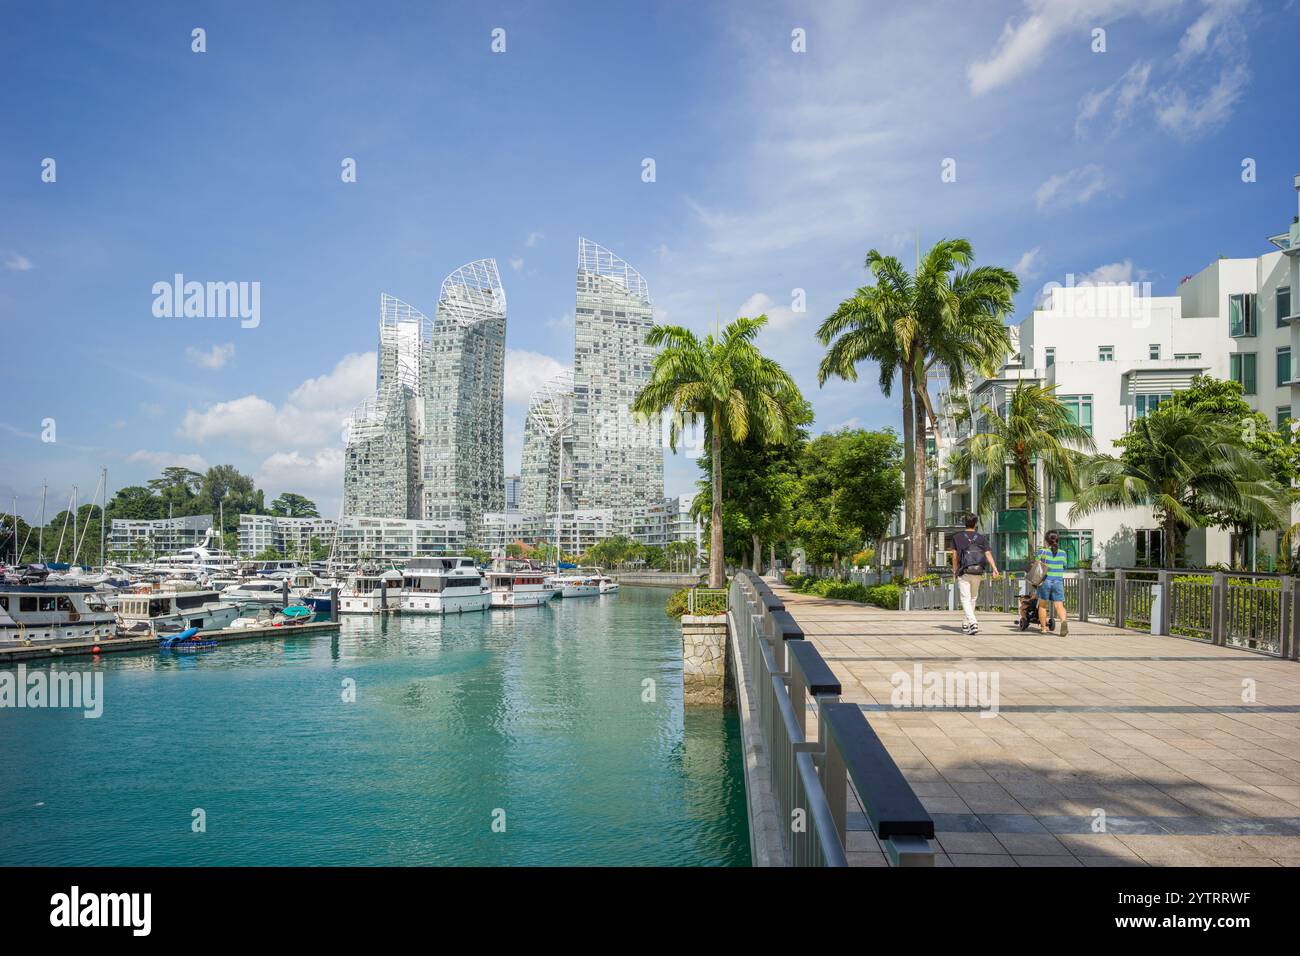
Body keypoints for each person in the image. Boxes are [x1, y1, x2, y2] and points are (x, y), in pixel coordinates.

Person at [949, 515, 999, 634]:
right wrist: (994, 568)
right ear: (975, 524)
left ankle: (973, 622)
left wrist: (955, 571)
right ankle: (966, 624)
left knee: (965, 598)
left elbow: (954, 557)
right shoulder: (981, 538)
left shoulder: (957, 537)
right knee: (973, 597)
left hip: (964, 571)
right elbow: (987, 554)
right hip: (978, 571)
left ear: (964, 523)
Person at [1035, 530, 1069, 636]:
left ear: (1046, 540)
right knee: (1059, 605)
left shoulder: (1042, 552)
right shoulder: (1063, 553)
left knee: (1042, 605)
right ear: (1057, 540)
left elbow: (1036, 565)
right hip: (1058, 581)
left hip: (1045, 581)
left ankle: (1044, 628)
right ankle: (1063, 622)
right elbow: (1064, 565)